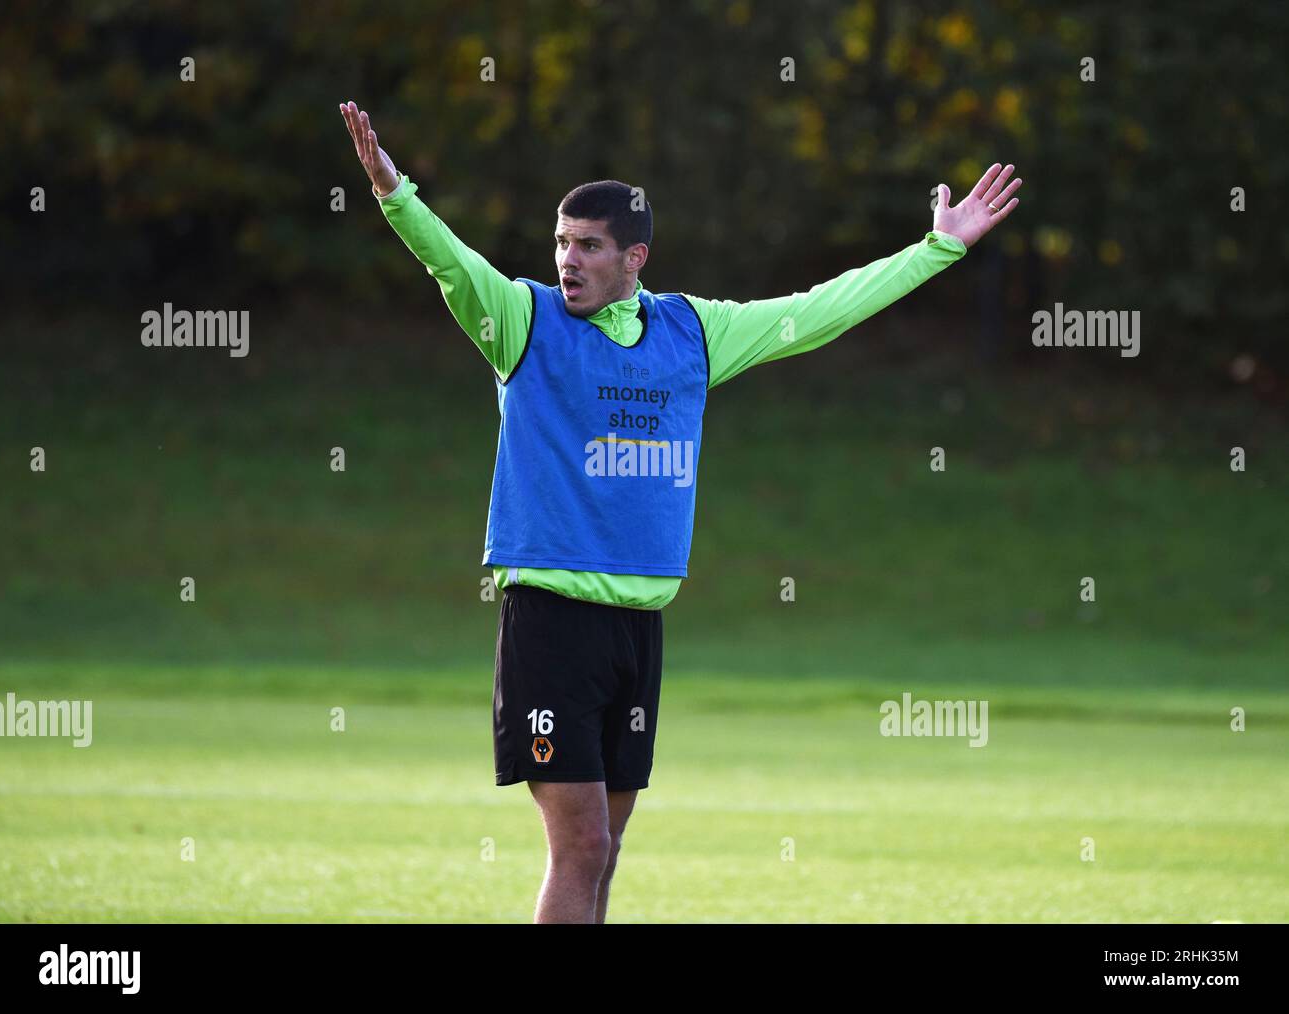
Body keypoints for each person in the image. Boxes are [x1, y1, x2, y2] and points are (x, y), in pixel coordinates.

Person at [339, 100, 1021, 923]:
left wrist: (936, 250)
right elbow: (450, 263)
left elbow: (819, 310)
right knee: (581, 846)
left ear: (635, 257)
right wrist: (393, 192)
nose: (568, 261)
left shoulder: (691, 333)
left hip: (639, 631)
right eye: (561, 242)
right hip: (552, 622)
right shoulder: (523, 321)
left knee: (607, 853)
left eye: (588, 246)